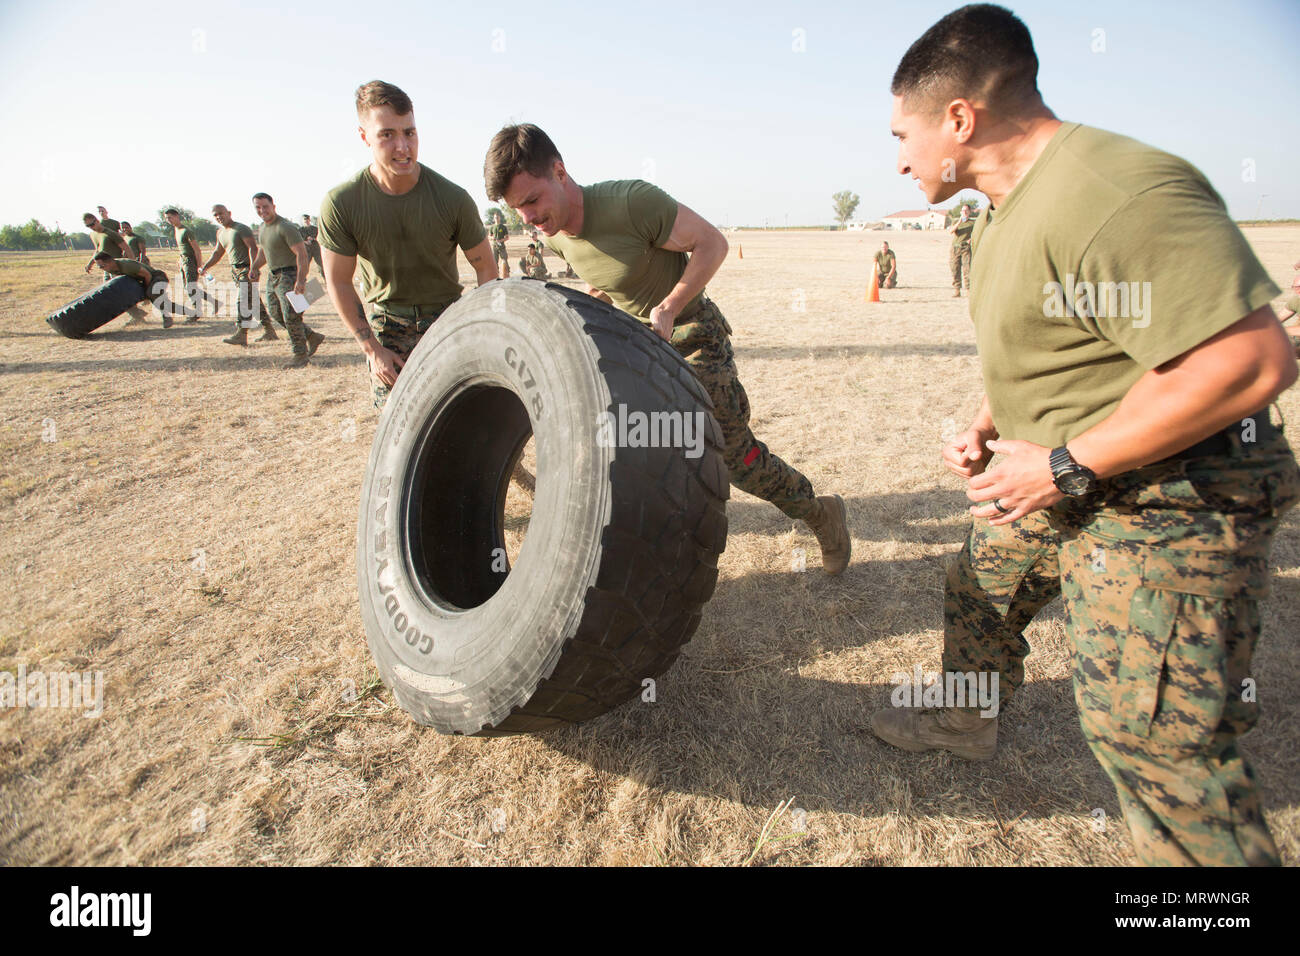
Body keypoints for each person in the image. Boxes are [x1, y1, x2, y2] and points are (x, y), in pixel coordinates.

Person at [872, 3, 1299, 866]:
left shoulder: (1114, 191)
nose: (899, 157)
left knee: (1153, 743)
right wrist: (993, 426)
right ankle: (964, 719)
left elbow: (1251, 361)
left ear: (960, 118)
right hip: (1064, 478)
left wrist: (1064, 463)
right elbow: (1062, 344)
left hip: (1171, 496)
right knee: (978, 586)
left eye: (902, 135)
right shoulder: (1000, 212)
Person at [485, 123, 852, 575]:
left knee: (735, 458)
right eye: (517, 209)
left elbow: (713, 244)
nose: (528, 218)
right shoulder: (555, 233)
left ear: (559, 171)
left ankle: (822, 514)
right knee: (632, 447)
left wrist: (669, 306)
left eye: (532, 201)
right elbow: (610, 280)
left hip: (693, 338)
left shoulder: (631, 203)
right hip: (640, 351)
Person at [318, 80, 496, 407]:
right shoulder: (342, 203)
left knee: (471, 421)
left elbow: (486, 266)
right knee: (400, 434)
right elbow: (338, 281)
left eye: (409, 132)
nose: (403, 146)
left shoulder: (451, 198)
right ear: (364, 137)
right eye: (387, 134)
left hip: (448, 321)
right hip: (388, 327)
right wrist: (373, 350)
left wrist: (475, 330)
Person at [250, 193, 323, 368]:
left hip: (289, 275)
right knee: (276, 313)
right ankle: (312, 336)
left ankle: (300, 355)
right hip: (273, 276)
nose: (262, 211)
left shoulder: (285, 227)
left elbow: (302, 254)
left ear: (273, 206)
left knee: (291, 316)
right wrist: (254, 267)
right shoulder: (263, 228)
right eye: (258, 208)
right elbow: (264, 251)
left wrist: (300, 280)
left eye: (265, 207)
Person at [201, 204, 280, 346]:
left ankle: (241, 334)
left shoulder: (241, 229)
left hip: (246, 270)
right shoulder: (221, 233)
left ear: (229, 213)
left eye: (221, 213)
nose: (219, 217)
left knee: (242, 301)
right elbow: (218, 253)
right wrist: (205, 267)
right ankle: (270, 331)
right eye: (215, 215)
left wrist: (253, 269)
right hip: (235, 272)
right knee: (254, 300)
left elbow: (252, 248)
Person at [91, 252, 190, 328]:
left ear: (110, 261)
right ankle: (138, 316)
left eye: (102, 266)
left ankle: (167, 317)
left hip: (156, 277)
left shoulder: (126, 265)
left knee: (153, 295)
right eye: (99, 267)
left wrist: (147, 292)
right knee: (121, 298)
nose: (101, 269)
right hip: (140, 282)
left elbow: (147, 274)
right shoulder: (111, 269)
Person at [165, 208, 219, 319]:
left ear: (177, 216)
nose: (168, 220)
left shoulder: (186, 231)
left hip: (190, 261)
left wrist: (199, 265)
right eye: (166, 218)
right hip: (184, 261)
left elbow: (197, 250)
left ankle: (196, 312)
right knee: (188, 287)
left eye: (170, 217)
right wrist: (180, 260)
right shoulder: (176, 230)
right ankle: (214, 302)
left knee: (190, 287)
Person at [82, 213, 129, 279]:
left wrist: (128, 266)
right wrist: (90, 264)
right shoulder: (93, 235)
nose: (91, 227)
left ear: (97, 221)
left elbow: (127, 249)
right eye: (88, 226)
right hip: (105, 269)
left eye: (92, 224)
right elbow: (97, 251)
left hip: (116, 268)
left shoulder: (110, 233)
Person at [947, 202, 974, 296]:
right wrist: (959, 222)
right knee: (955, 268)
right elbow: (951, 231)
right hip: (955, 248)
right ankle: (957, 290)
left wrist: (971, 239)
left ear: (970, 211)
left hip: (966, 248)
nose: (964, 212)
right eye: (963, 210)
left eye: (966, 210)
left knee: (967, 269)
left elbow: (977, 233)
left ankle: (968, 290)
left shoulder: (972, 223)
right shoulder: (956, 222)